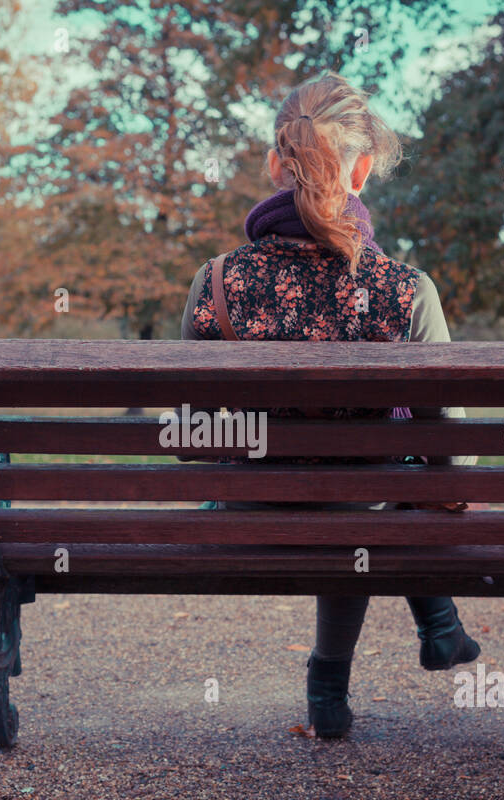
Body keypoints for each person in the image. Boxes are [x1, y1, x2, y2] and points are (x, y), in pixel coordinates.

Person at [180, 72, 481, 739]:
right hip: (361, 512)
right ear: (363, 169)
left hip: (244, 512)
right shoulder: (407, 290)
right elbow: (453, 454)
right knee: (376, 490)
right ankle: (344, 674)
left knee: (367, 486)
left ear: (272, 163)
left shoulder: (218, 281)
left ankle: (358, 671)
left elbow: (190, 429)